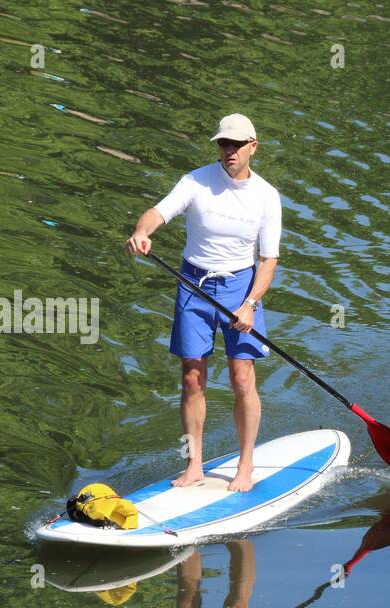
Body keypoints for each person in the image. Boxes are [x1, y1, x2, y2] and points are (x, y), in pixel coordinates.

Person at [126, 113, 282, 492]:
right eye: (223, 144)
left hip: (241, 288)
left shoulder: (266, 196)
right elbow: (159, 212)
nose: (229, 151)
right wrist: (141, 231)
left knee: (241, 378)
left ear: (253, 147)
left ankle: (246, 466)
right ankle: (194, 464)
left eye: (237, 144)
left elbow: (269, 260)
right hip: (193, 284)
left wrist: (250, 304)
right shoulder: (195, 181)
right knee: (192, 378)